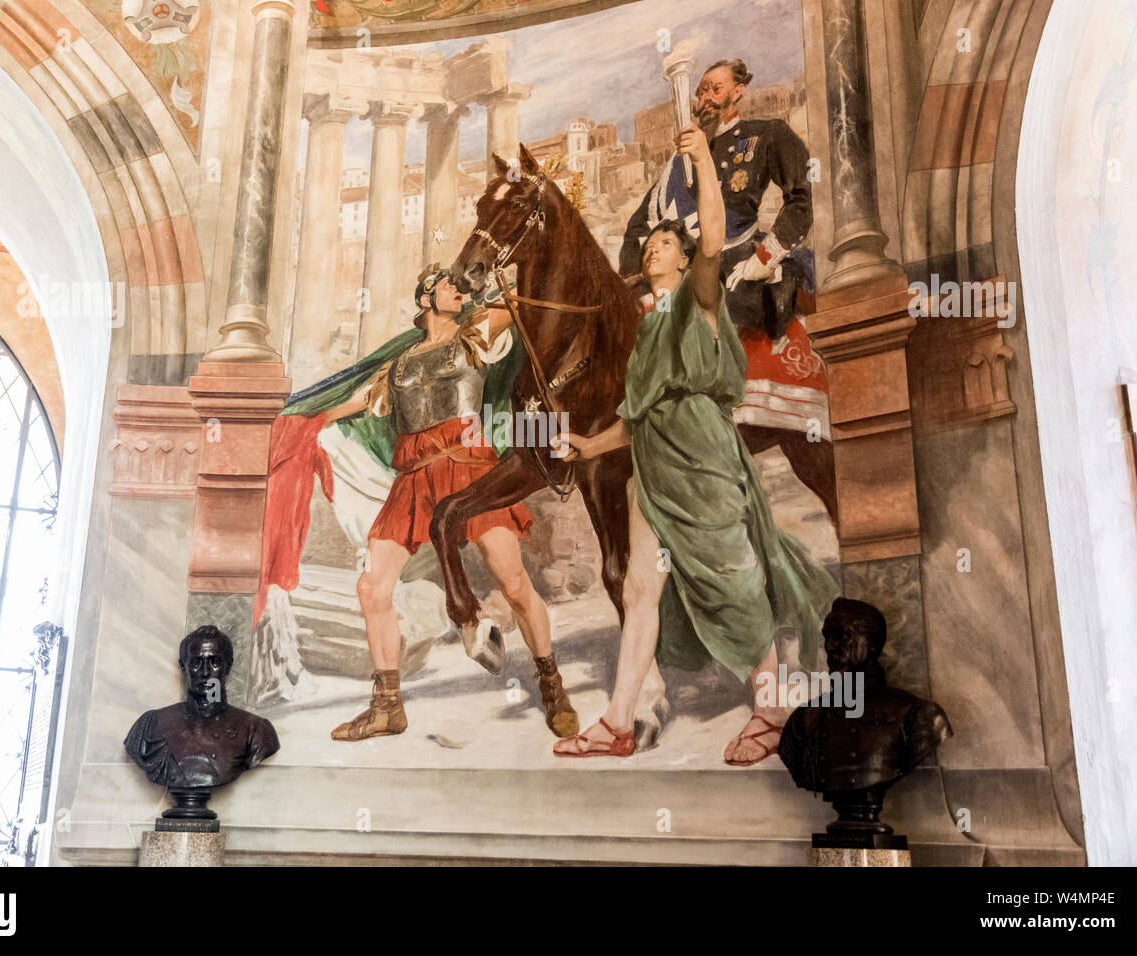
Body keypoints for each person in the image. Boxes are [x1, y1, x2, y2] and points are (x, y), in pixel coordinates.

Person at [551, 120, 839, 764]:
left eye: (663, 243)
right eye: (649, 243)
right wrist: (589, 450)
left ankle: (770, 707)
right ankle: (619, 719)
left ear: (684, 259)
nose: (653, 249)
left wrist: (704, 159)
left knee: (731, 582)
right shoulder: (648, 327)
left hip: (704, 459)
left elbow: (713, 234)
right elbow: (636, 414)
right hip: (651, 468)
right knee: (639, 590)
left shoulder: (697, 302)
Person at [316, 268, 579, 742]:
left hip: (468, 467)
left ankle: (552, 683)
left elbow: (523, 298)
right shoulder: (396, 366)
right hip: (414, 478)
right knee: (372, 589)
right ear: (425, 295)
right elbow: (359, 401)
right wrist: (306, 421)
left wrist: (501, 280)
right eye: (447, 284)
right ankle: (387, 706)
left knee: (515, 584)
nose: (457, 289)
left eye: (460, 285)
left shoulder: (474, 333)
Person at [621, 58, 813, 346]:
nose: (705, 98)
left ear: (737, 92)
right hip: (685, 275)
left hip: (742, 261)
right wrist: (635, 281)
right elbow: (638, 226)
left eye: (715, 89)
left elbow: (801, 200)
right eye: (701, 92)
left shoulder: (765, 134)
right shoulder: (679, 162)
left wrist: (764, 258)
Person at [124, 626, 280, 789]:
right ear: (183, 667)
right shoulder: (151, 725)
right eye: (196, 663)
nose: (205, 672)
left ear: (228, 666)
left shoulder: (255, 730)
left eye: (214, 662)